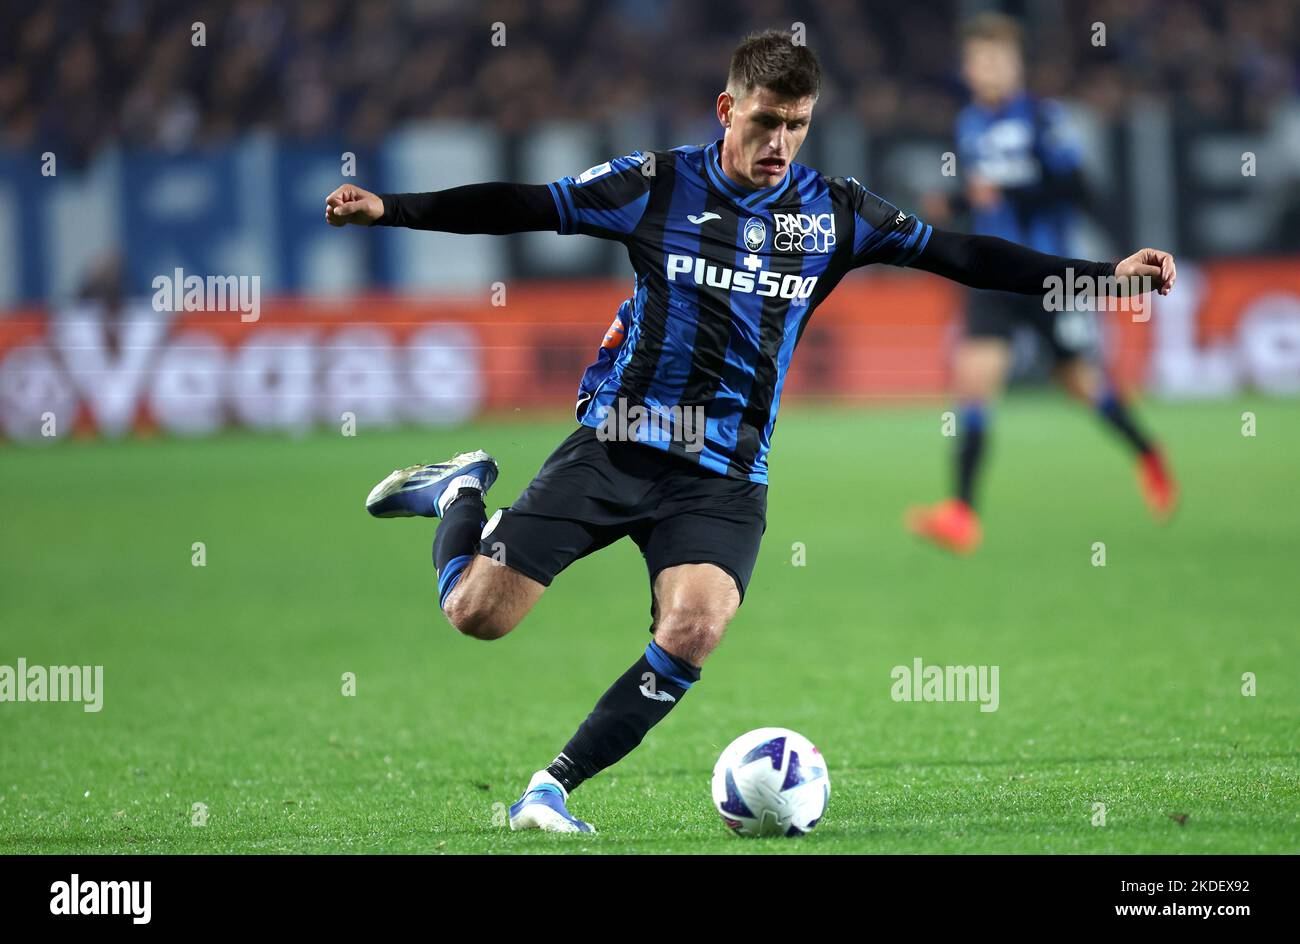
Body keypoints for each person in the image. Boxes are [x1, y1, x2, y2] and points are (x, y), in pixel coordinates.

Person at [325, 29, 1175, 833]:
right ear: (727, 109)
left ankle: (550, 788)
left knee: (694, 625)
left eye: (797, 126)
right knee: (477, 615)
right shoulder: (656, 183)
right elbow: (525, 205)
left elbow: (964, 254)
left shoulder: (834, 212)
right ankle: (463, 489)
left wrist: (1100, 278)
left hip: (724, 474)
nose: (780, 142)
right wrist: (391, 208)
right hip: (620, 439)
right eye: (767, 121)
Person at [907, 13, 1177, 555]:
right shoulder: (969, 123)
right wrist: (957, 203)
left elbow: (1077, 186)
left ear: (1016, 65)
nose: (986, 69)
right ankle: (962, 513)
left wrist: (1008, 190)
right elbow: (986, 194)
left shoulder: (1044, 119)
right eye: (978, 60)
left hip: (1048, 275)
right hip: (991, 274)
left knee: (1081, 384)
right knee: (974, 380)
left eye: (996, 59)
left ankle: (1148, 453)